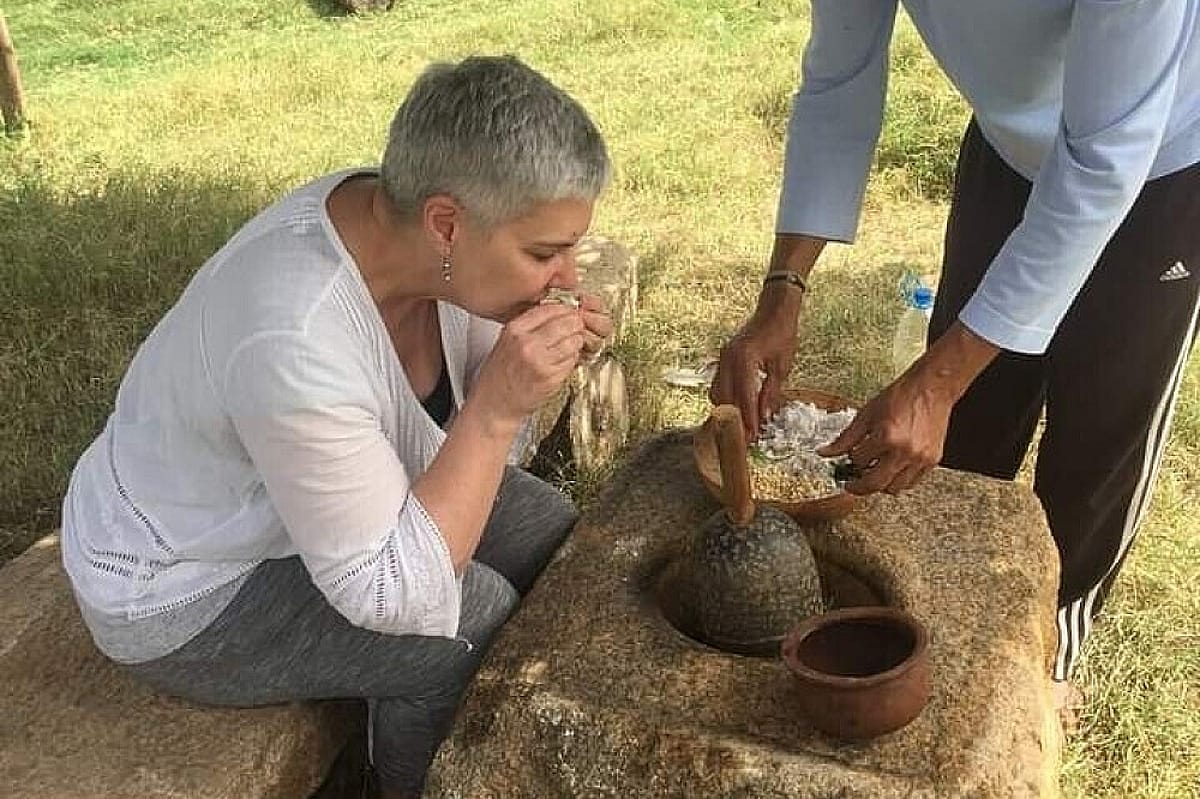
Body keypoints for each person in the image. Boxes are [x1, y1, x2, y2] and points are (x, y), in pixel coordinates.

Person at [60, 55, 612, 798]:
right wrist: (499, 405)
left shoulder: (413, 235)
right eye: (545, 252)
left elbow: (479, 447)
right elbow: (386, 592)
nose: (569, 277)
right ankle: (407, 784)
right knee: (466, 623)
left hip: (310, 508)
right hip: (190, 577)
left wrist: (512, 378)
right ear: (446, 222)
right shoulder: (293, 329)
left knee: (554, 534)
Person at [712, 1, 1200, 706]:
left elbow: (1103, 164)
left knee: (1098, 443)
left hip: (1159, 161)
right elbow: (838, 82)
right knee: (965, 431)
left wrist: (935, 381)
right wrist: (783, 289)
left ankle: (1049, 651)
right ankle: (938, 612)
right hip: (1010, 147)